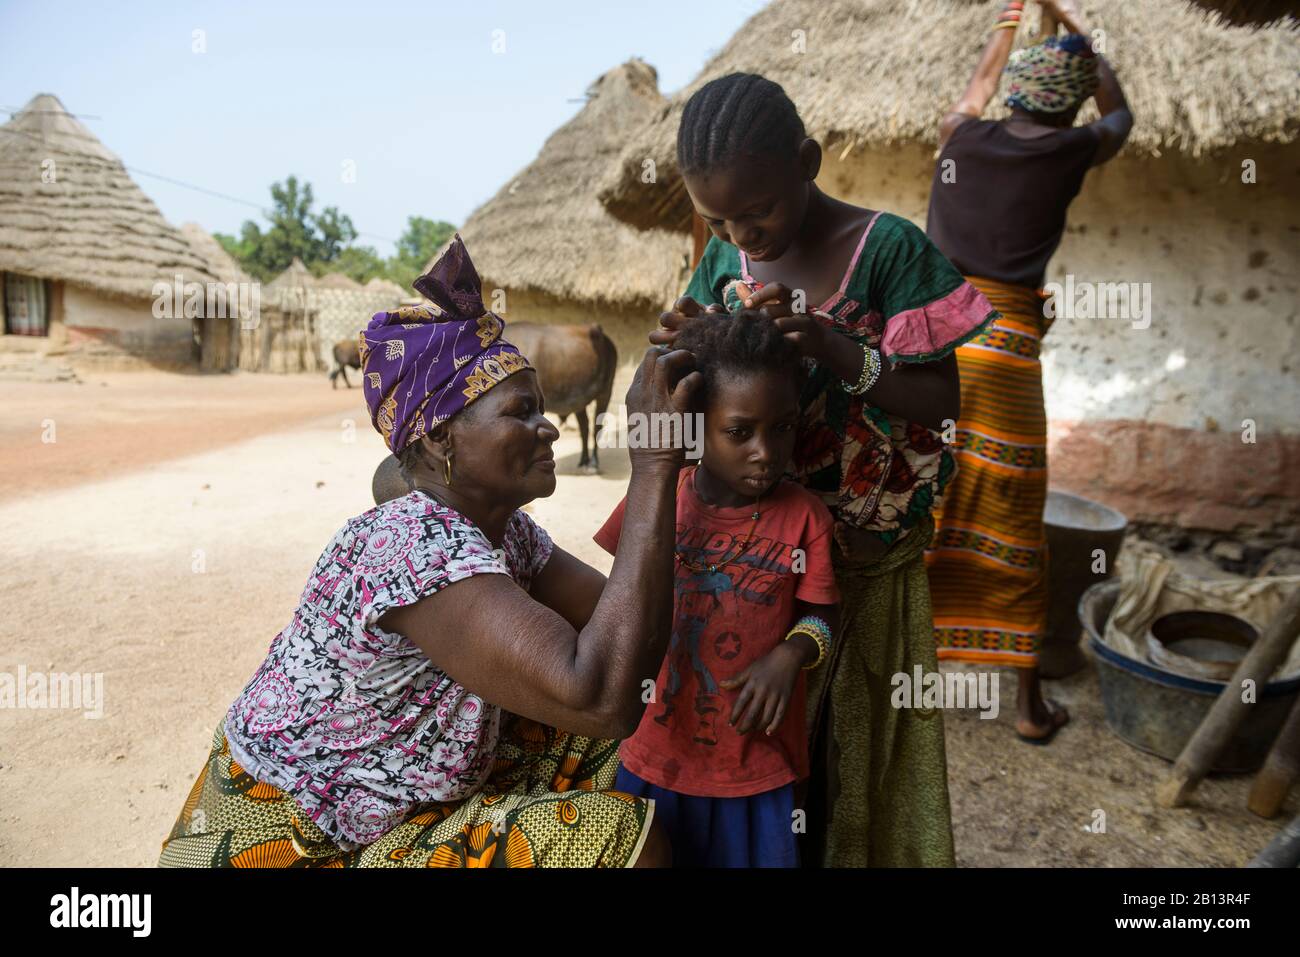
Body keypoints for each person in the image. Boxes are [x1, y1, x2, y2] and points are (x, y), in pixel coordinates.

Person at [158, 235, 699, 868]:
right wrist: (656, 468)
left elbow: (627, 631)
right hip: (295, 843)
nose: (548, 427)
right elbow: (602, 694)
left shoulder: (504, 532)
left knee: (666, 714)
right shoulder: (413, 546)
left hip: (394, 801)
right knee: (618, 836)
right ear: (443, 438)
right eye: (521, 412)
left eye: (543, 410)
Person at [653, 73, 997, 866]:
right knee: (770, 753)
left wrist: (833, 346)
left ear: (807, 160)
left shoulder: (889, 251)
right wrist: (684, 341)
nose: (744, 232)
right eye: (719, 219)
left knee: (855, 751)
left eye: (758, 210)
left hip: (868, 567)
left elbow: (941, 402)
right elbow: (701, 382)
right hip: (763, 561)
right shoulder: (726, 259)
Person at [925, 0, 1133, 743]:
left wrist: (1013, 17)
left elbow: (976, 84)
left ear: (1016, 92)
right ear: (1066, 104)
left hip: (936, 345)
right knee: (1012, 518)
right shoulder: (1070, 150)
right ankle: (1026, 705)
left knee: (925, 500)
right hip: (1008, 352)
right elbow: (1123, 114)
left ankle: (897, 667)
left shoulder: (962, 136)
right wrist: (1077, 25)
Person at [594, 315, 840, 867]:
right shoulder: (658, 500)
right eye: (739, 431)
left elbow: (824, 615)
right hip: (655, 752)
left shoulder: (804, 518)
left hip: (755, 763)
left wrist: (790, 654)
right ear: (696, 427)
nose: (766, 451)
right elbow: (618, 595)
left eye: (783, 428)